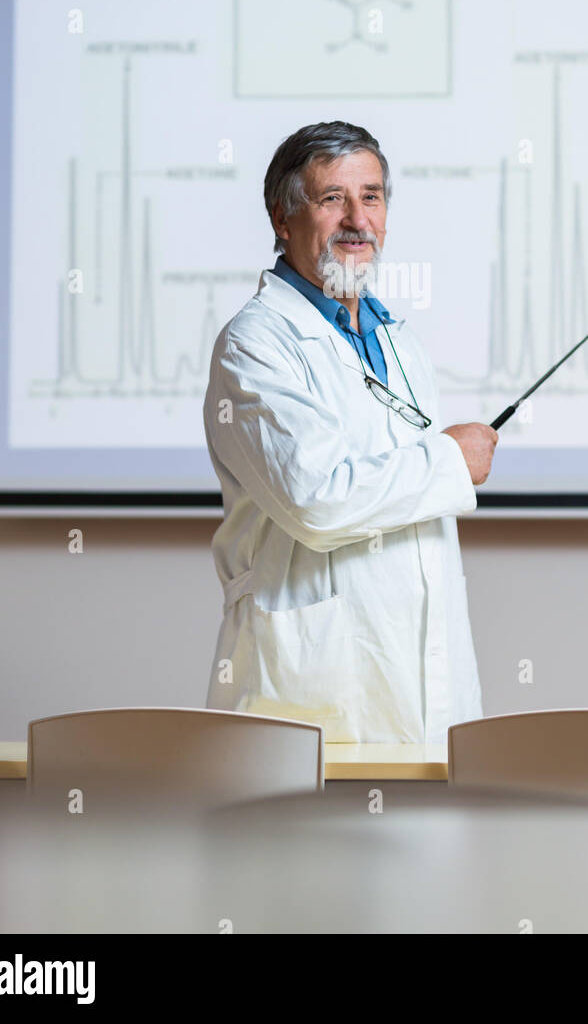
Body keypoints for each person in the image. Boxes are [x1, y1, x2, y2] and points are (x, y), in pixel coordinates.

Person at [203, 120, 498, 744]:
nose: (357, 220)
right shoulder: (255, 345)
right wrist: (448, 461)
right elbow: (317, 502)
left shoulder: (399, 340)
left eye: (372, 196)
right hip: (316, 692)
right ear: (283, 220)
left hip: (426, 692)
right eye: (332, 198)